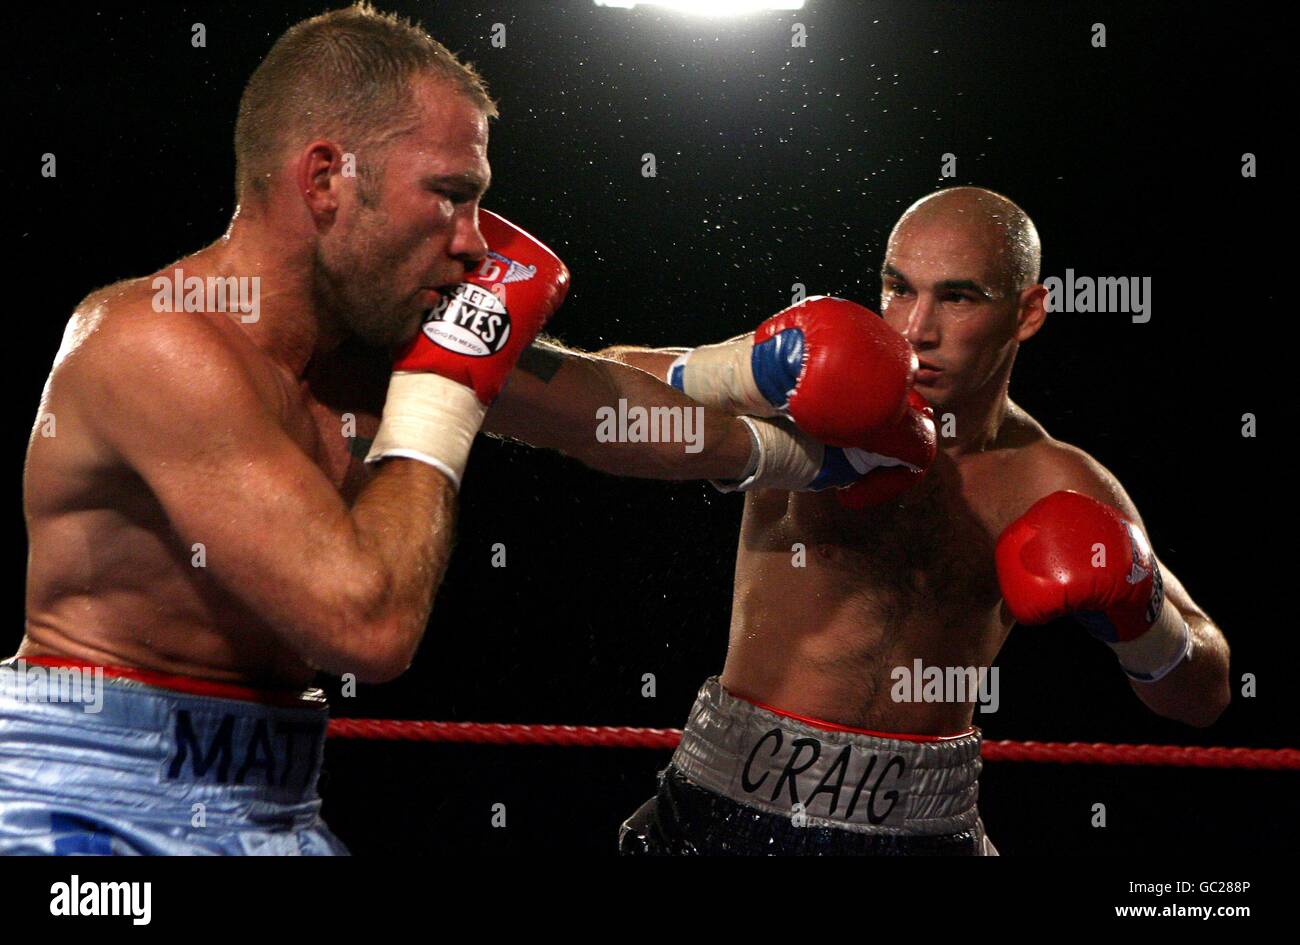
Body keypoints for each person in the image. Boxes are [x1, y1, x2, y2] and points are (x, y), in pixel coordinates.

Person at [0, 3, 893, 856]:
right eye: (451, 196)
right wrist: (441, 389)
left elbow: (605, 413)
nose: (477, 243)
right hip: (81, 799)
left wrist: (812, 456)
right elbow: (369, 624)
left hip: (277, 802)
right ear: (325, 180)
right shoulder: (158, 345)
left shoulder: (378, 336)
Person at [603, 187, 1231, 855]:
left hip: (927, 824)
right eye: (897, 289)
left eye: (956, 298)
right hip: (729, 796)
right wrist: (742, 368)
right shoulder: (808, 390)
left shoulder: (1050, 479)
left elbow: (1206, 692)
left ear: (1027, 312)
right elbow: (605, 392)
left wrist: (1143, 622)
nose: (914, 328)